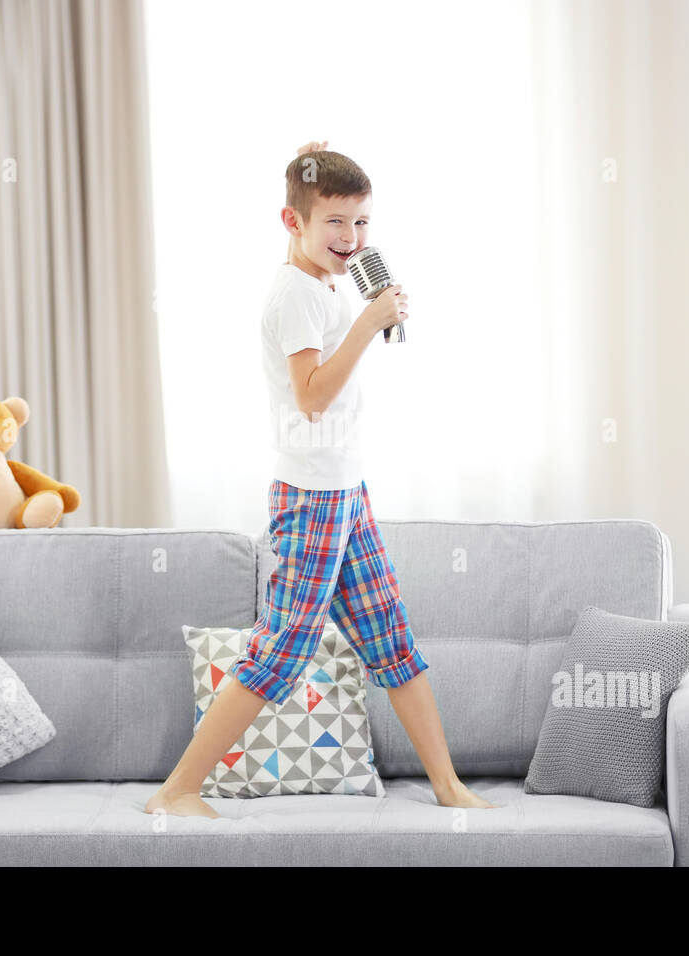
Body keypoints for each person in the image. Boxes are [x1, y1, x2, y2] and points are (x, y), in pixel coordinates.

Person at [144, 142, 496, 818]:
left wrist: (311, 160)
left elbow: (319, 221)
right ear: (291, 222)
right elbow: (311, 395)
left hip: (345, 491)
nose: (351, 238)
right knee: (278, 656)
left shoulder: (322, 282)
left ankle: (448, 787)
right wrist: (370, 321)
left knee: (392, 640)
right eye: (334, 223)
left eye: (361, 223)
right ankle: (177, 790)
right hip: (312, 499)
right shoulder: (294, 297)